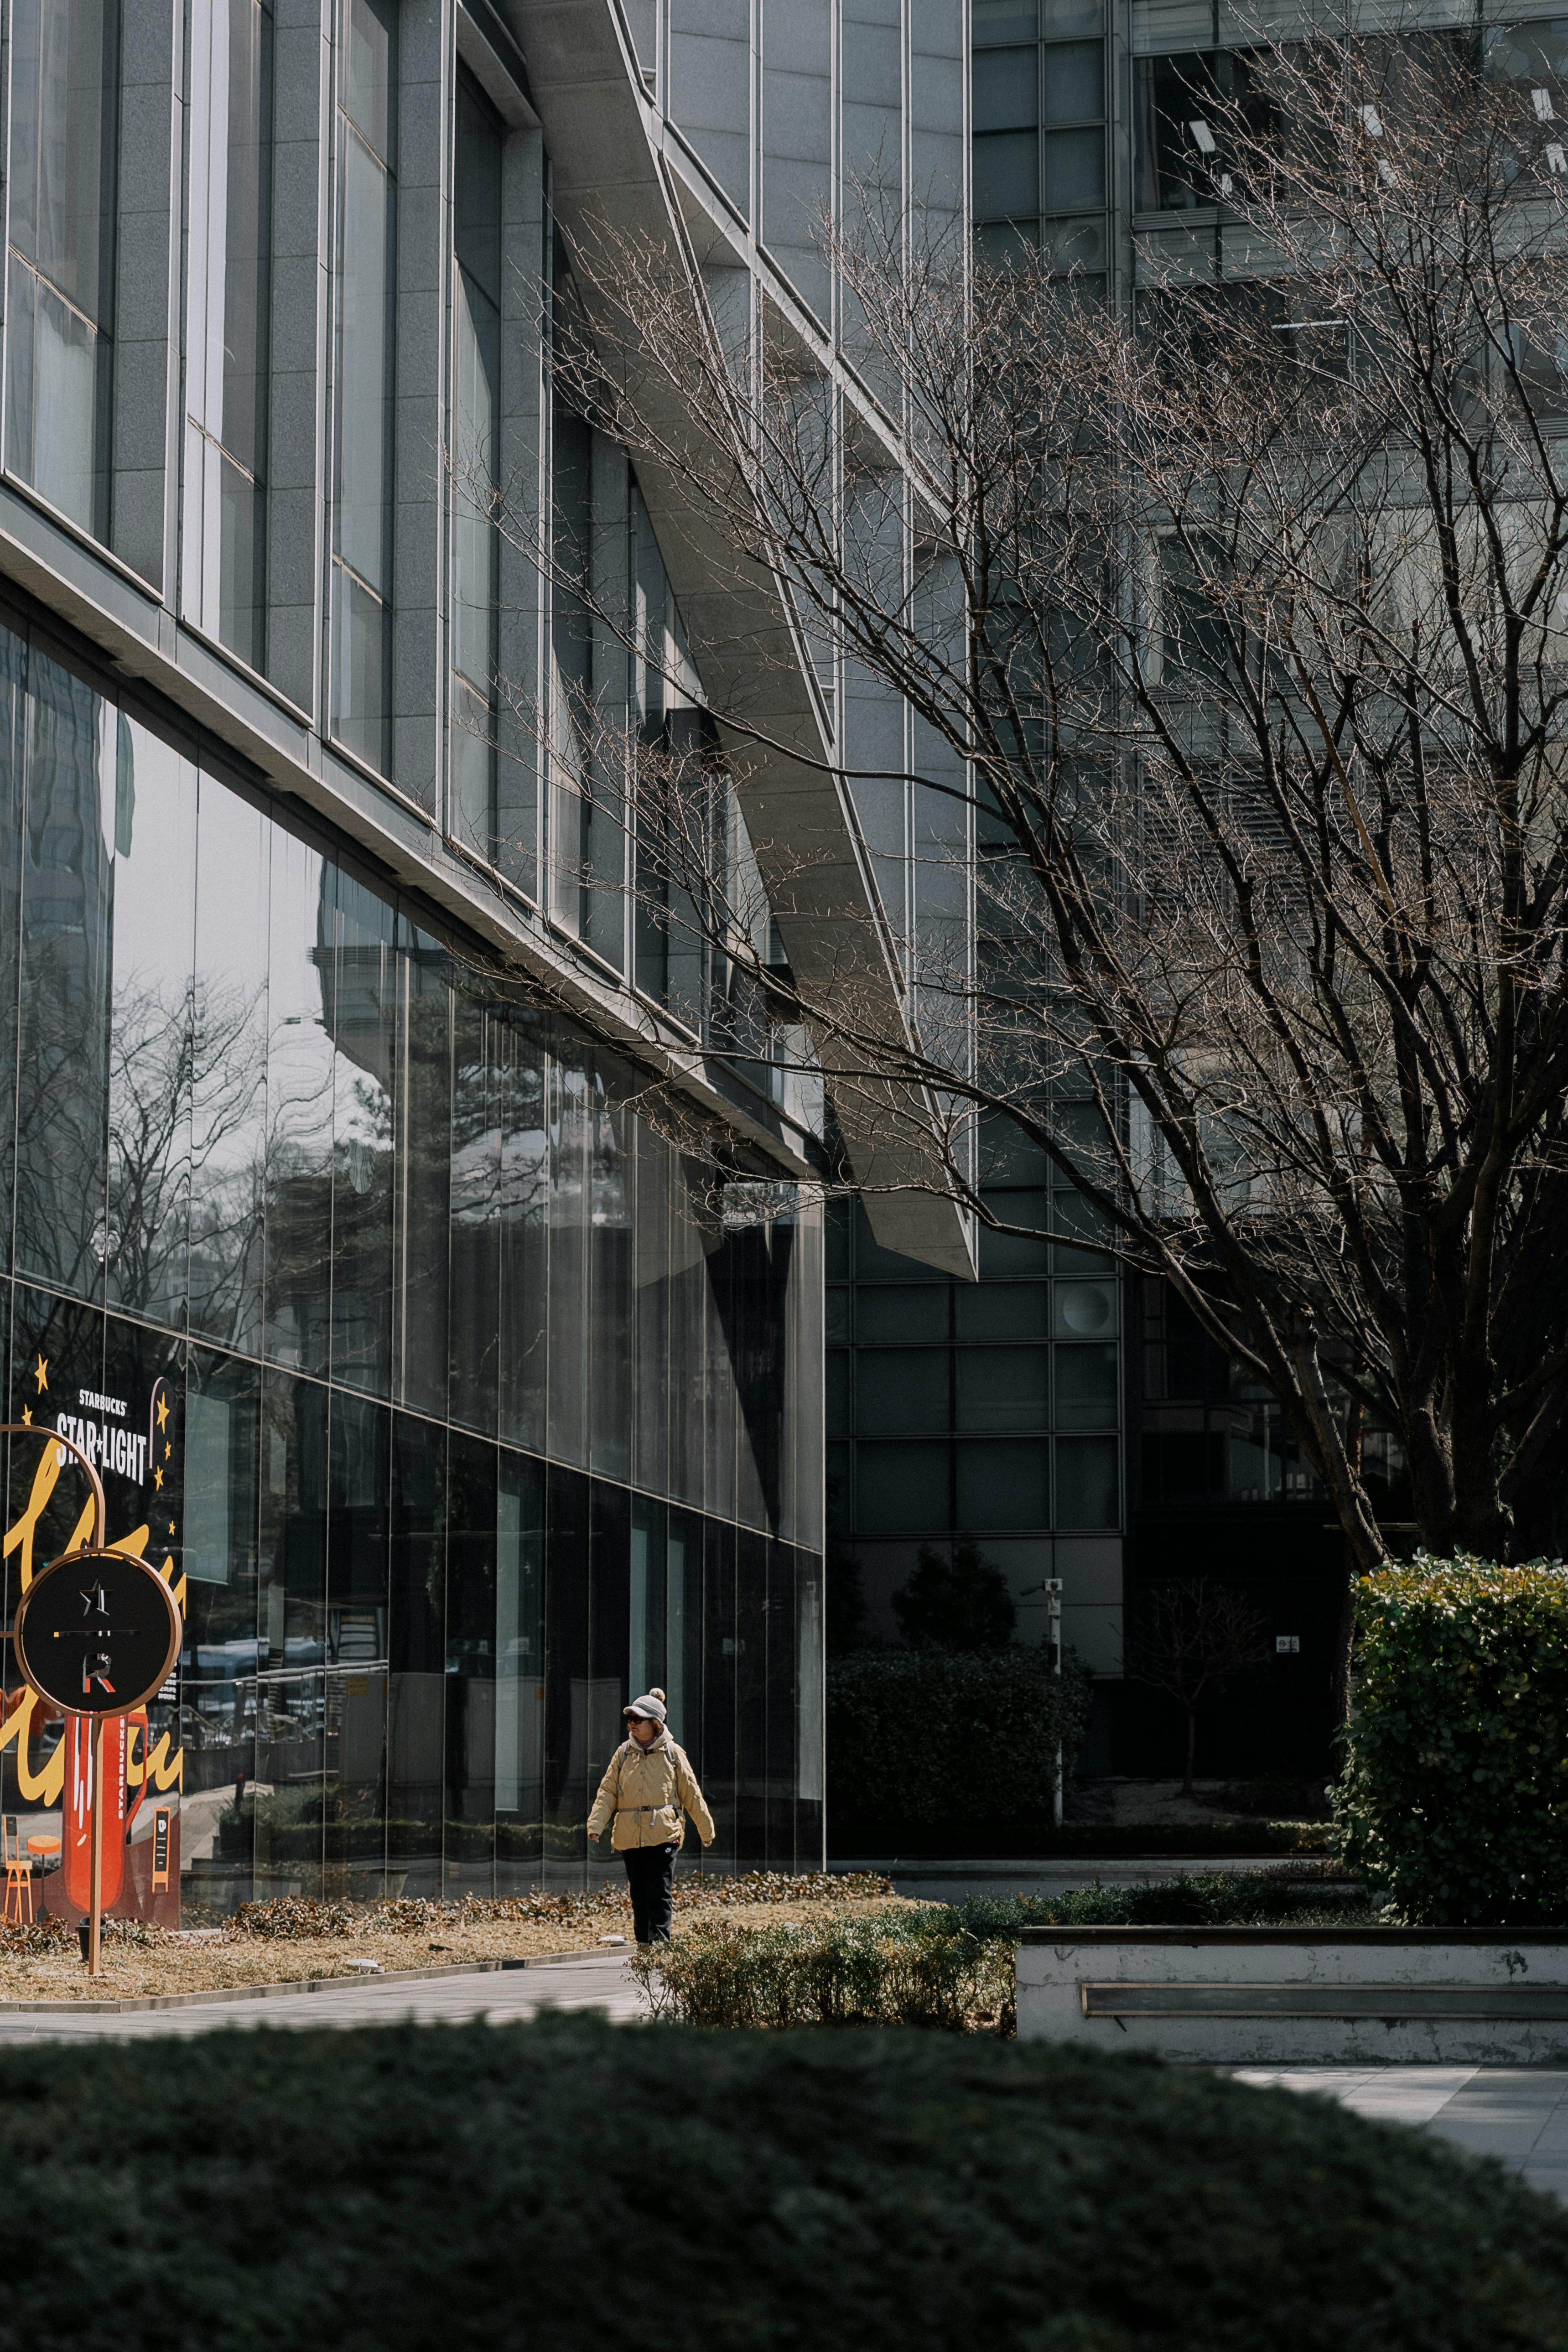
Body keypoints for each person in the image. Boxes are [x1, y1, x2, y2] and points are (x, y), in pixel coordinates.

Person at [587, 1688, 714, 1946]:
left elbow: (691, 1793)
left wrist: (706, 1831)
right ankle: (644, 1943)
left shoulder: (673, 1754)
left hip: (664, 1834)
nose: (632, 1724)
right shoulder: (623, 1754)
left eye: (638, 1719)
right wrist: (596, 1824)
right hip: (629, 1835)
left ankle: (660, 1944)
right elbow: (608, 1791)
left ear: (655, 1724)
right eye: (630, 1719)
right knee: (639, 1892)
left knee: (659, 1890)